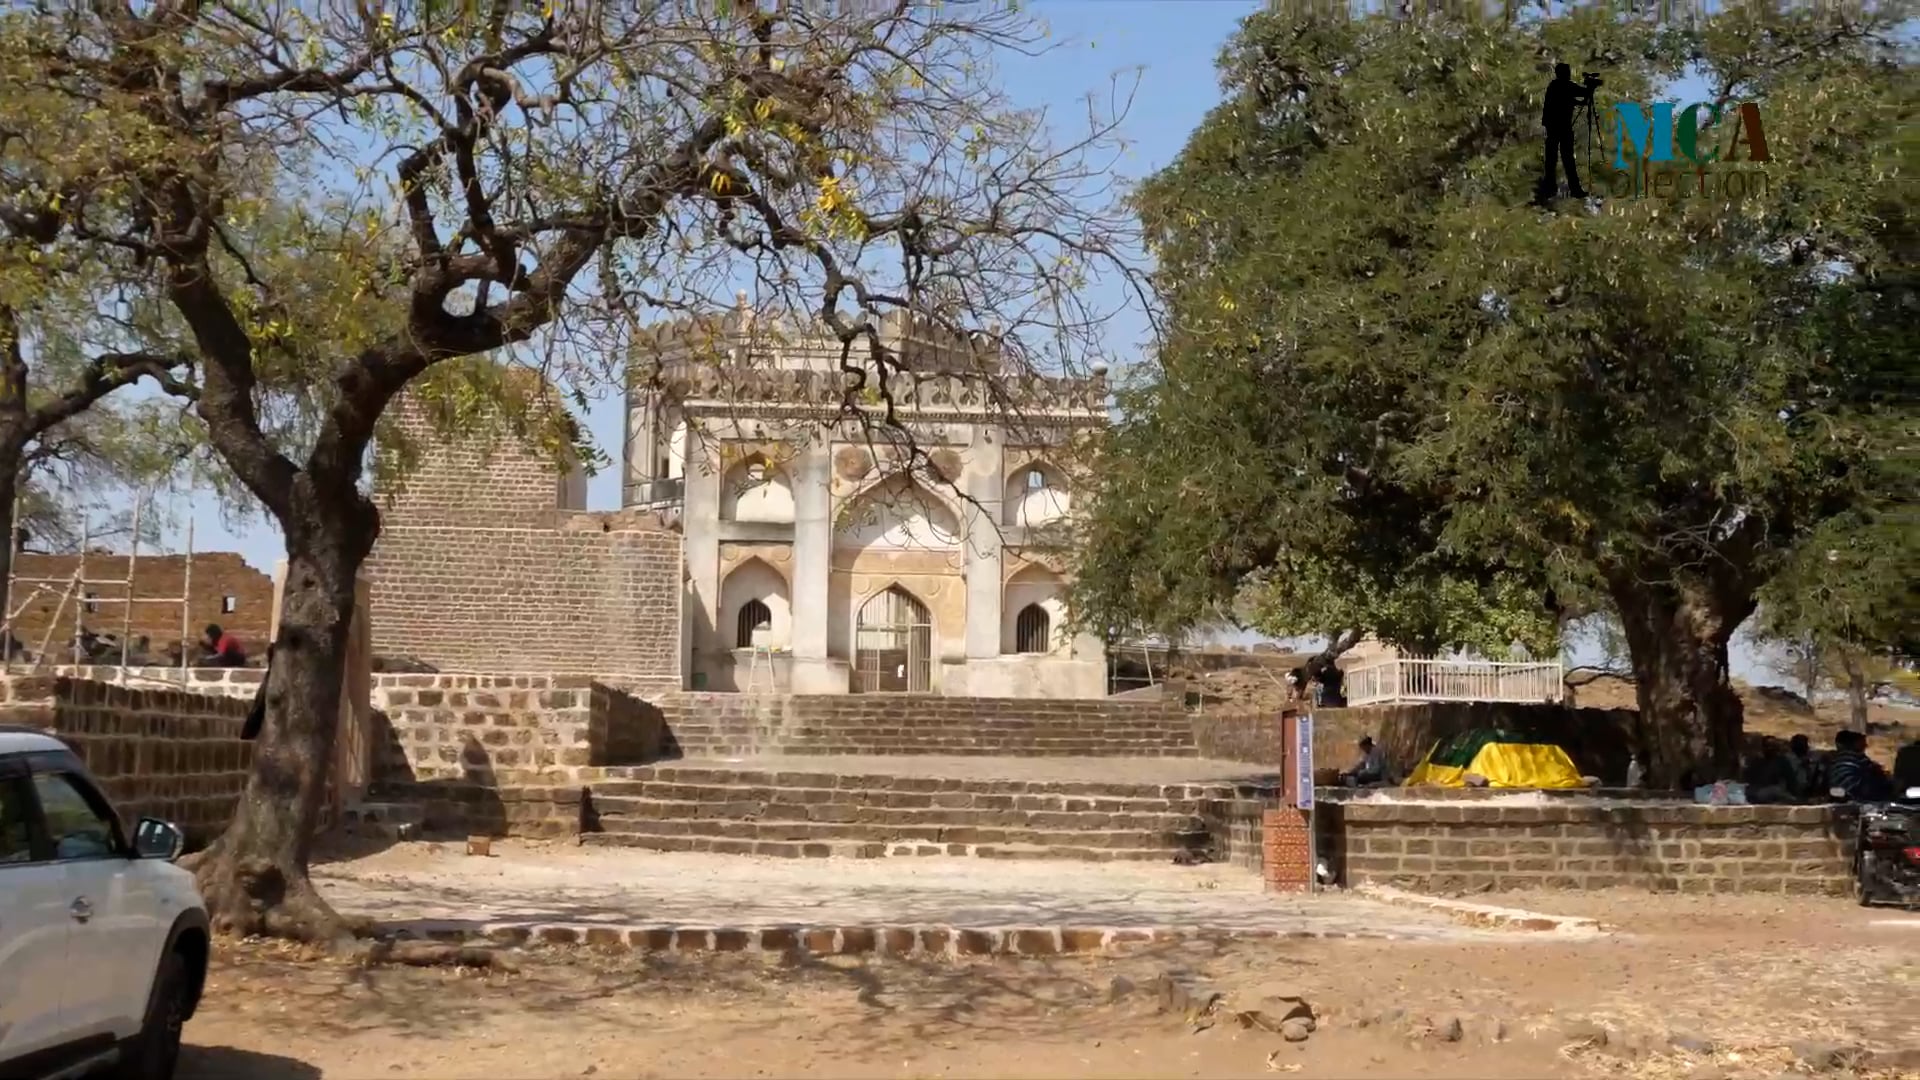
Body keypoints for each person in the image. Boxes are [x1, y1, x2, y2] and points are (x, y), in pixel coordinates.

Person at [1537, 63, 1595, 202]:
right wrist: (1591, 87)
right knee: (1567, 158)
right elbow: (1583, 93)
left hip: (1553, 127)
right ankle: (1573, 189)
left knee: (1552, 158)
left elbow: (1576, 99)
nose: (1569, 74)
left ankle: (1550, 187)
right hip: (1562, 128)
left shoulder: (1555, 86)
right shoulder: (1566, 86)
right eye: (1567, 71)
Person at [1825, 730, 1892, 803]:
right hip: (1857, 798)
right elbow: (1878, 775)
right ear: (1854, 743)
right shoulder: (1856, 758)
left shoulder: (1834, 759)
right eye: (1862, 742)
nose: (1865, 745)